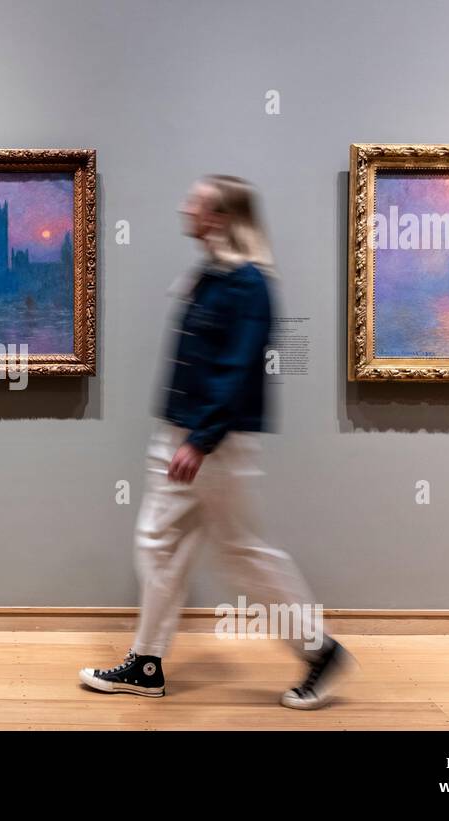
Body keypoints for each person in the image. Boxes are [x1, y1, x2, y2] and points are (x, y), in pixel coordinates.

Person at [79, 175, 353, 709]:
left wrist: (201, 440)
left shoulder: (249, 284)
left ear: (220, 217)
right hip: (182, 433)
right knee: (160, 543)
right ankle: (147, 662)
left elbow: (240, 369)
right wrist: (183, 435)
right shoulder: (208, 274)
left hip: (215, 443)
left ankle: (320, 651)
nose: (186, 207)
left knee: (241, 553)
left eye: (196, 203)